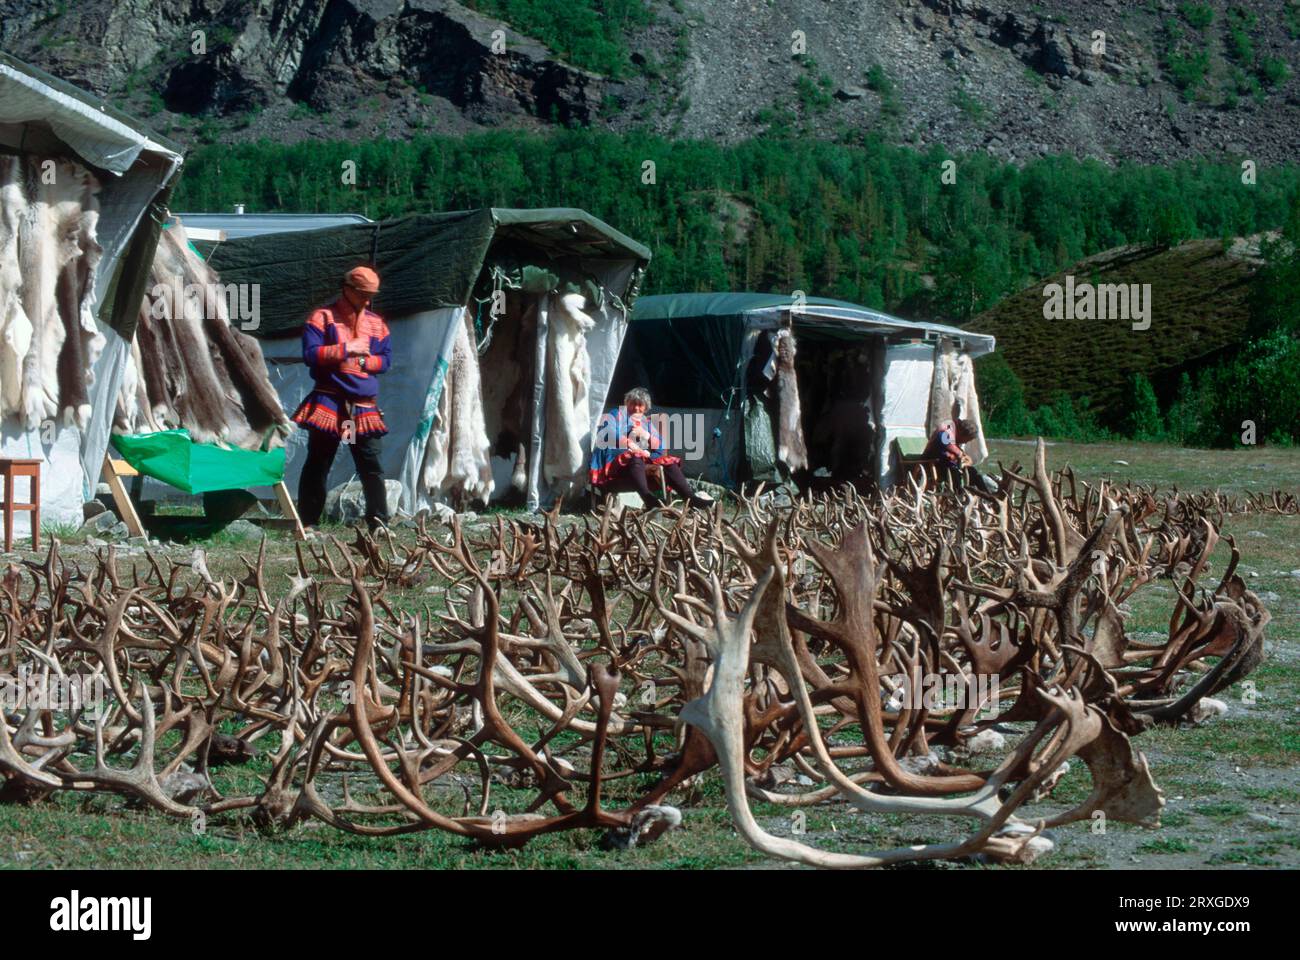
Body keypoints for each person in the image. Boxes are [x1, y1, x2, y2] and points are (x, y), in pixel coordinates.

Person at [291, 266, 393, 530]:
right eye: (362, 294)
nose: (367, 301)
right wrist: (346, 348)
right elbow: (310, 355)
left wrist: (361, 358)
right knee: (319, 462)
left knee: (370, 465)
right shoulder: (322, 318)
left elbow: (386, 361)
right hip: (331, 403)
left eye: (371, 295)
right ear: (346, 289)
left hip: (361, 408)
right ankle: (309, 523)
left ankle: (379, 522)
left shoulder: (377, 324)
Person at [589, 388, 713, 509]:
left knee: (668, 462)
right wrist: (628, 443)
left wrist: (646, 435)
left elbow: (661, 449)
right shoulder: (616, 414)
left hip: (636, 463)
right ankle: (648, 498)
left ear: (645, 408)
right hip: (614, 463)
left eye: (640, 405)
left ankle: (691, 499)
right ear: (627, 403)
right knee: (635, 456)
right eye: (633, 404)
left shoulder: (646, 424)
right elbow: (607, 433)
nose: (636, 408)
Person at [923, 418, 971, 491]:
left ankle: (980, 492)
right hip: (934, 460)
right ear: (962, 433)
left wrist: (964, 457)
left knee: (971, 471)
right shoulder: (947, 429)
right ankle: (957, 494)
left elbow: (953, 449)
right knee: (953, 472)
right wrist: (959, 454)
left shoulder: (953, 433)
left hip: (945, 462)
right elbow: (945, 443)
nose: (965, 443)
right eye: (966, 439)